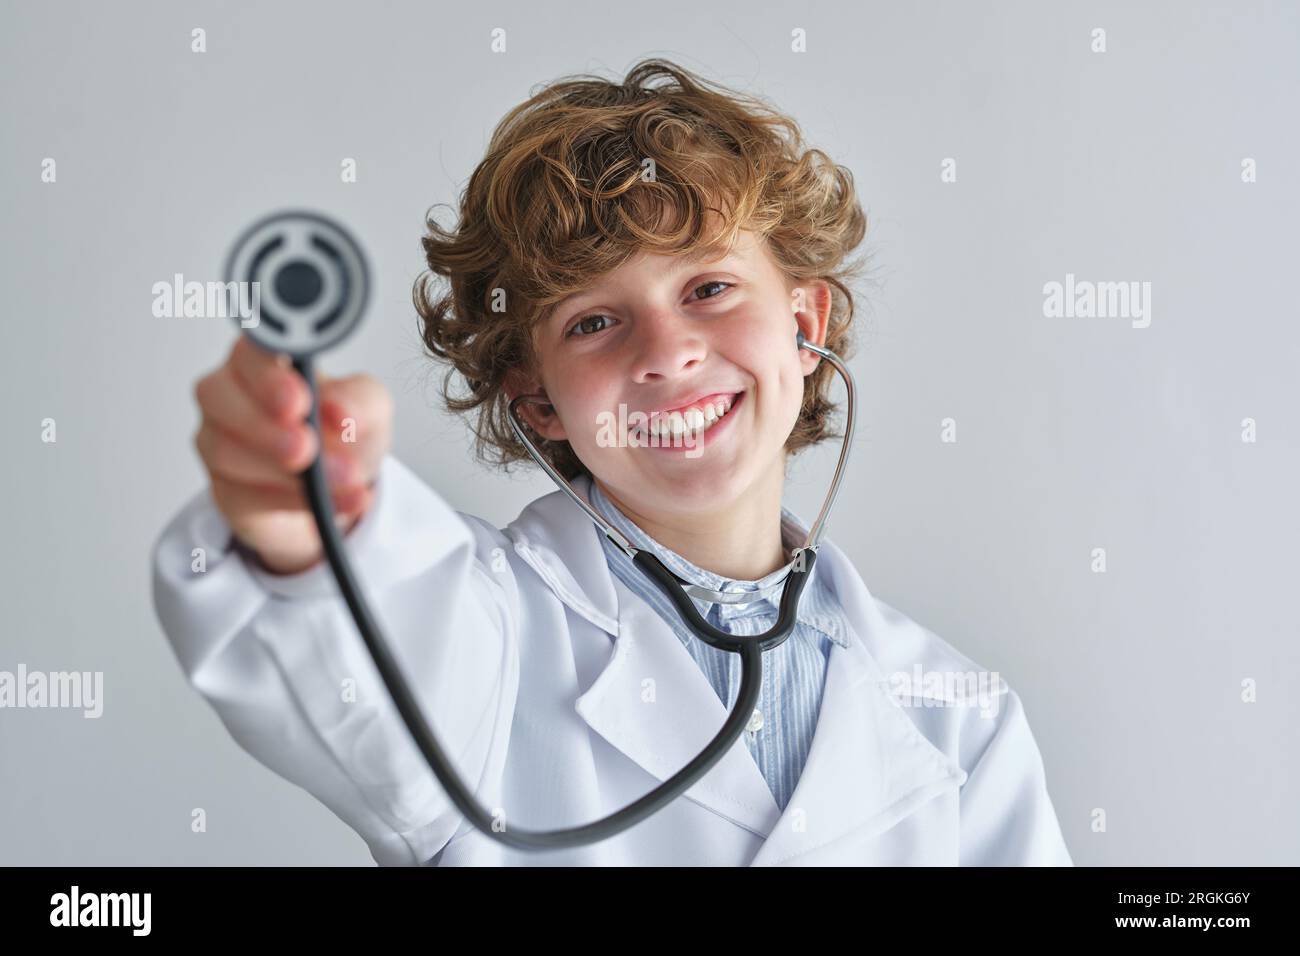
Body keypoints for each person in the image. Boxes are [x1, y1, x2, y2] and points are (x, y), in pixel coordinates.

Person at [150, 58, 1072, 866]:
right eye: (594, 321)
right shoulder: (490, 634)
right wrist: (311, 524)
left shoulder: (961, 718)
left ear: (803, 325)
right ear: (539, 401)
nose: (667, 352)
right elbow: (366, 632)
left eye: (709, 287)